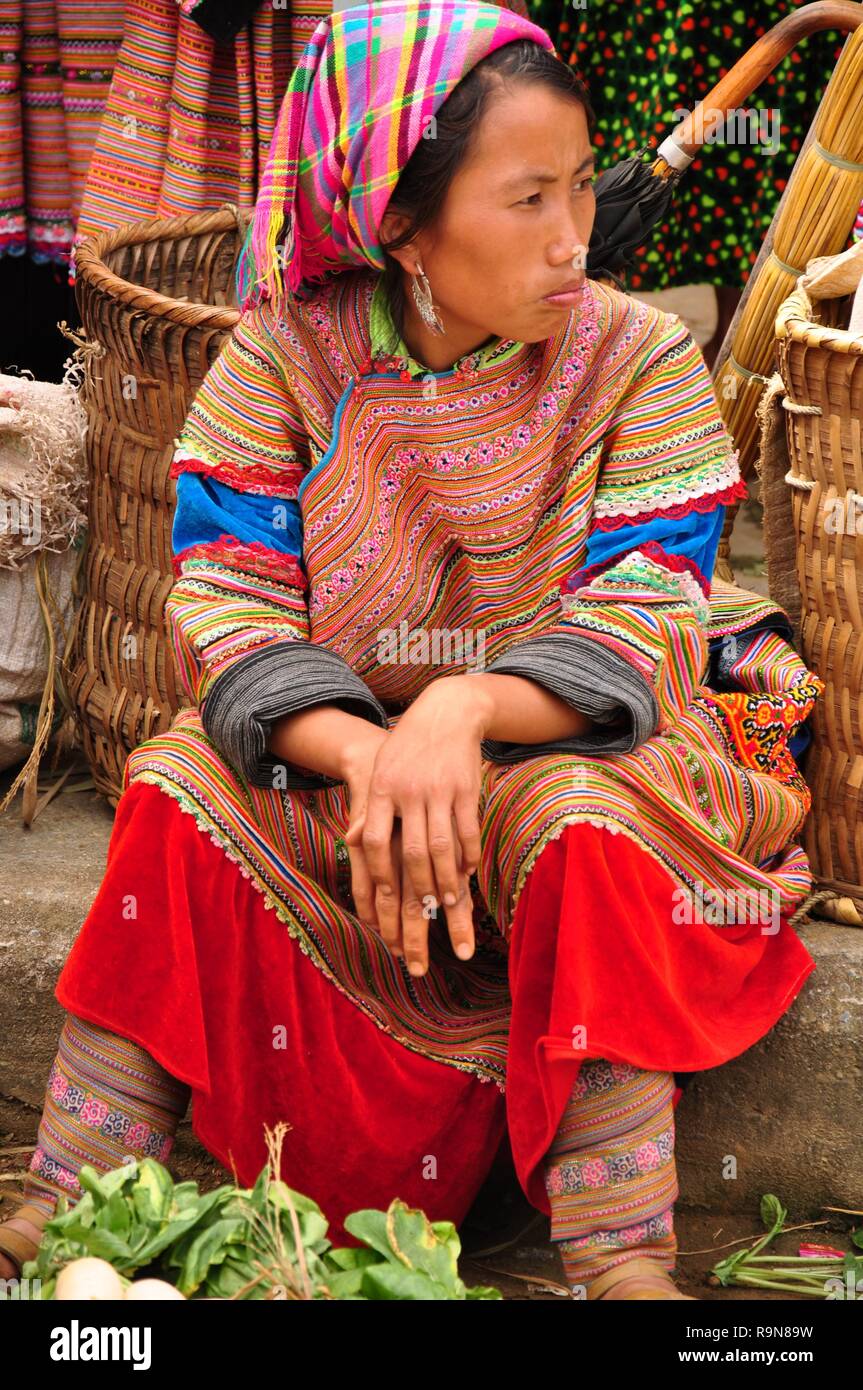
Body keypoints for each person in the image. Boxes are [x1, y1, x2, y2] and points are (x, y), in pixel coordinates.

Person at [0, 0, 824, 1301]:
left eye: (579, 184)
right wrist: (371, 755)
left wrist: (463, 710)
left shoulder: (640, 359)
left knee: (575, 820)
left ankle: (621, 1260)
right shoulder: (280, 360)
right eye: (528, 198)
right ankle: (62, 1209)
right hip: (356, 763)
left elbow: (645, 618)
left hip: (585, 744)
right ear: (397, 222)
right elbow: (228, 610)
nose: (575, 235)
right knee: (175, 786)